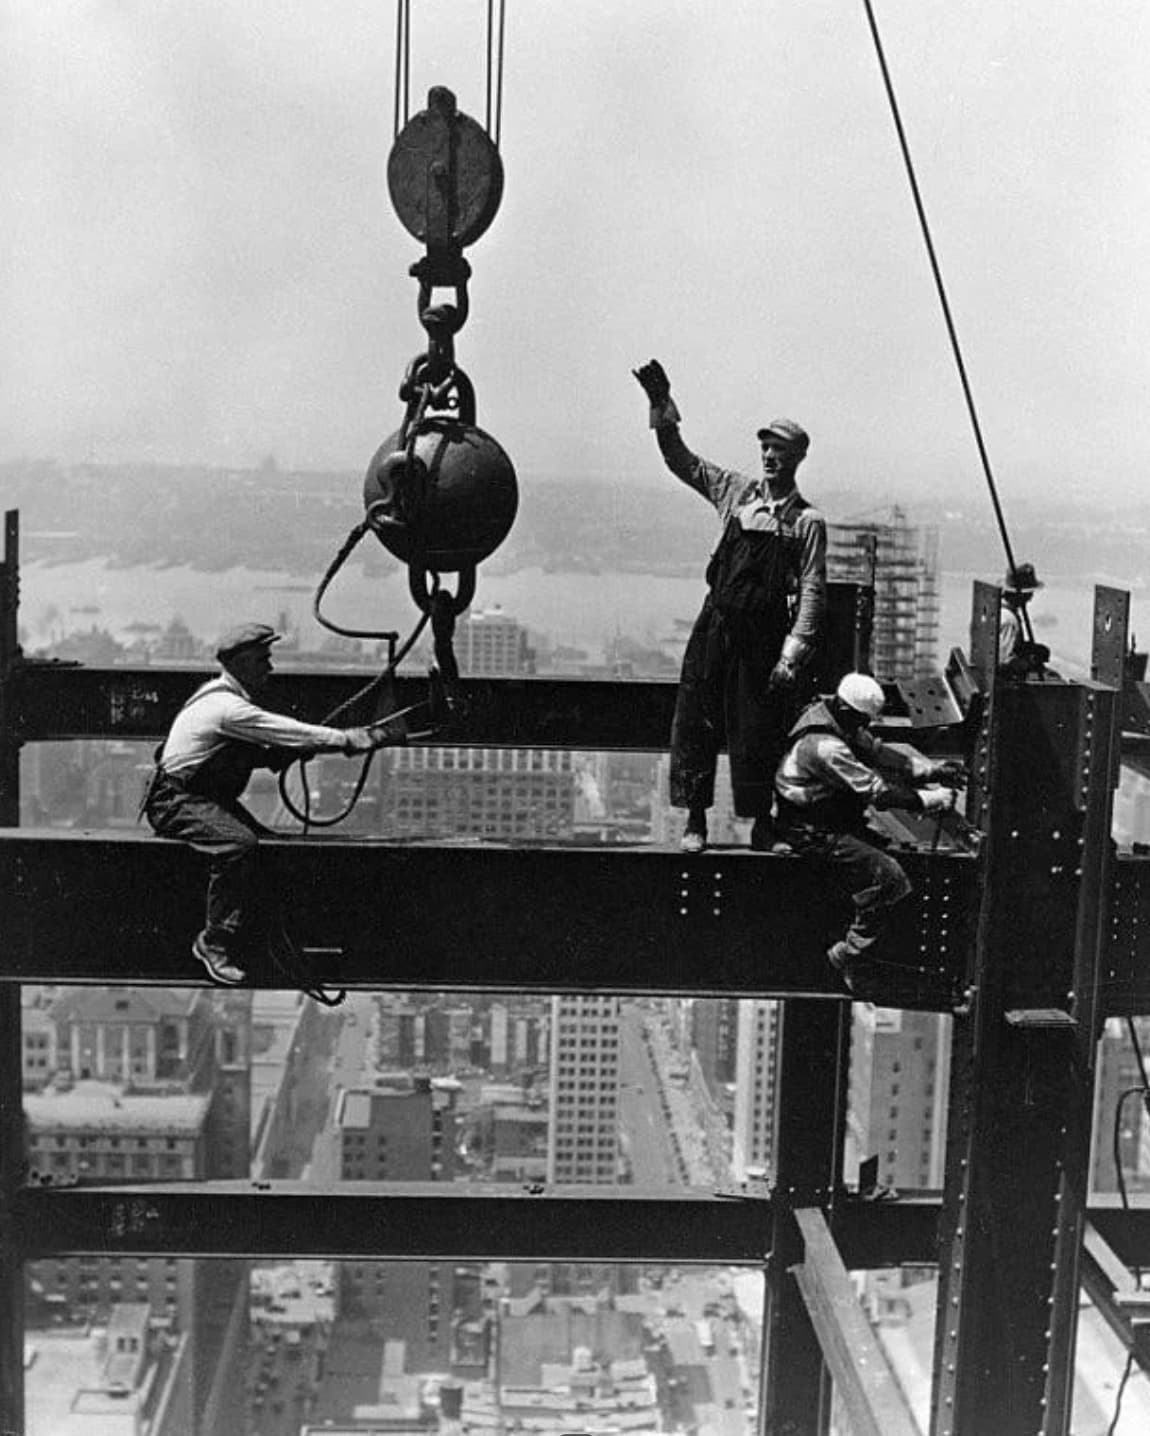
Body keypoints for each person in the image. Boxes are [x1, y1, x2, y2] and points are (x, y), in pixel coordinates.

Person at [632, 358, 827, 853]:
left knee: (759, 729)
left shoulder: (806, 521)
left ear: (797, 458)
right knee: (696, 715)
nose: (768, 456)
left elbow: (812, 588)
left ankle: (763, 825)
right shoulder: (736, 493)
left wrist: (792, 653)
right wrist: (661, 406)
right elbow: (682, 460)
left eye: (779, 450)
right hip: (716, 624)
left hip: (764, 636)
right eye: (765, 447)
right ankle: (695, 820)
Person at [143, 622, 391, 985]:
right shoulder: (228, 708)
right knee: (239, 846)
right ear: (241, 664)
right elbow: (287, 730)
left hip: (196, 796)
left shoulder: (218, 696)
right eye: (263, 660)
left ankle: (257, 929)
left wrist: (276, 756)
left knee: (267, 846)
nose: (269, 668)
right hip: (177, 802)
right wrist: (349, 739)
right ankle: (214, 943)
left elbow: (226, 753)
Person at [774, 672, 966, 992]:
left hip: (823, 818)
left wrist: (932, 771)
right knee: (890, 877)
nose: (864, 727)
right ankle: (850, 953)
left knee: (886, 852)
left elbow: (878, 753)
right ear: (850, 712)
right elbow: (878, 793)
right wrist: (930, 799)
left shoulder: (831, 716)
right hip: (810, 830)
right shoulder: (826, 746)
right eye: (862, 720)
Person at [998, 561, 1050, 676]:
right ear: (1020, 595)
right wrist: (1030, 662)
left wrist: (1028, 648)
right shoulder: (1009, 620)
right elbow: (1004, 662)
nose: (1030, 598)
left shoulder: (1001, 612)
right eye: (1029, 593)